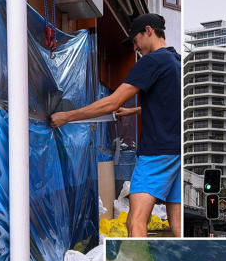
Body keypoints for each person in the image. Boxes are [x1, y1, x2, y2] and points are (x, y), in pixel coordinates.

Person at [50, 13, 181, 237]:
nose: (135, 47)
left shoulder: (152, 61)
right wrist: (135, 110)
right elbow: (169, 103)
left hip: (157, 152)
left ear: (148, 31)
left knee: (136, 222)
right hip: (179, 151)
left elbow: (112, 102)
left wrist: (66, 117)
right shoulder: (176, 61)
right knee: (177, 223)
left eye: (135, 40)